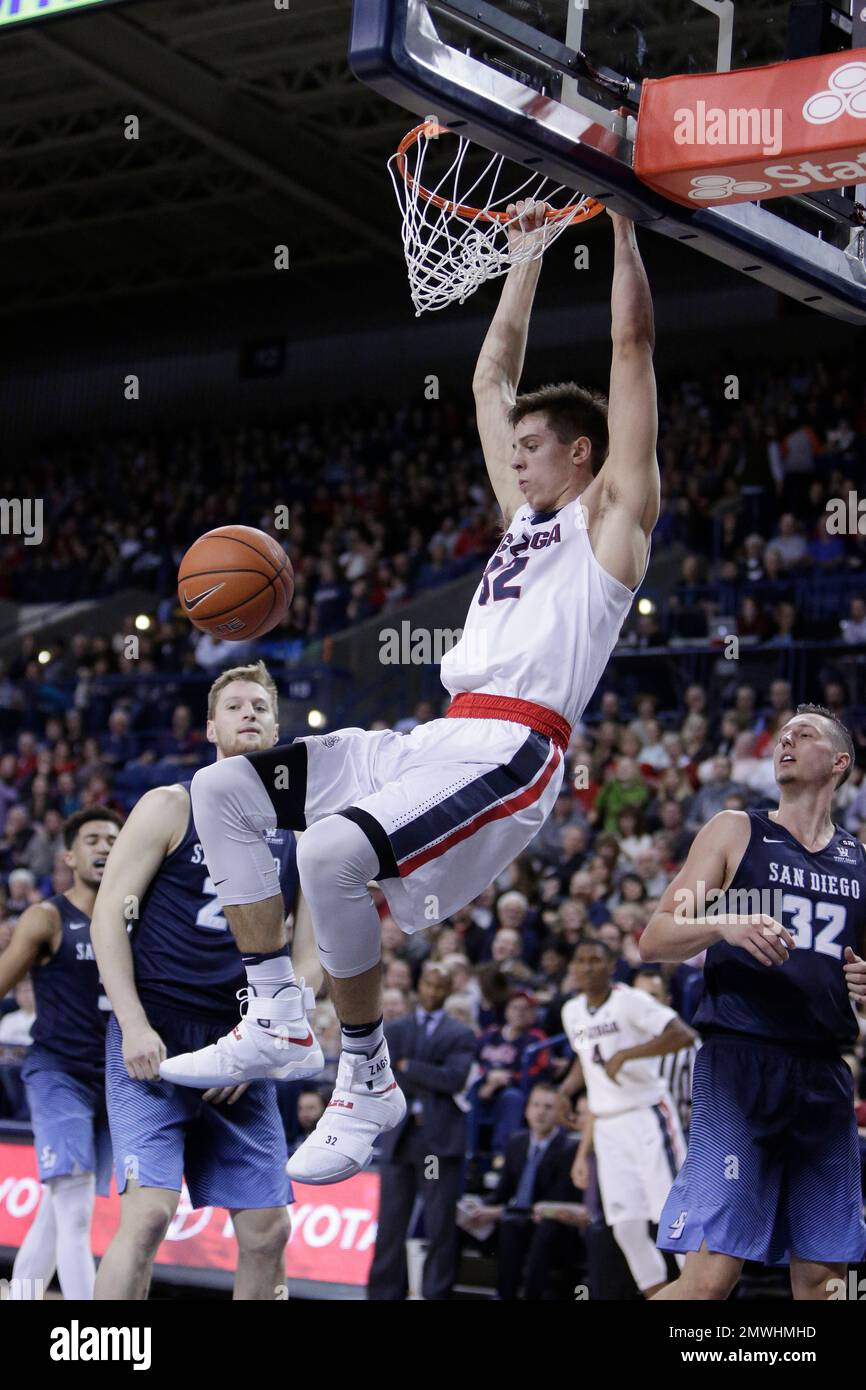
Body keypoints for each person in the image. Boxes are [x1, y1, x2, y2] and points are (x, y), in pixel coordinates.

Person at [168, 205, 661, 1189]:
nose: (510, 454)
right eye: (510, 445)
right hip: (434, 737)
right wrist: (523, 257)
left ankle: (365, 1078)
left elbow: (631, 340)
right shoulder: (521, 523)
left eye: (530, 444)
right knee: (220, 793)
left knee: (329, 849)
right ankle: (271, 1008)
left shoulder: (614, 526)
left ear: (578, 455)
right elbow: (486, 378)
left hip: (512, 753)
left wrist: (621, 224)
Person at [91, 662, 322, 1301]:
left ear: (276, 727)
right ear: (211, 730)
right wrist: (132, 1023)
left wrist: (264, 1039)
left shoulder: (302, 833)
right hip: (156, 1034)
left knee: (269, 1229)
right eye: (235, 707)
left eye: (260, 707)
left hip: (240, 1036)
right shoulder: (170, 805)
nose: (249, 714)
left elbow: (312, 958)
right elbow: (110, 914)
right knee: (148, 1217)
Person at [641, 702, 866, 1299]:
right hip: (740, 1063)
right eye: (784, 733)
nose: (786, 739)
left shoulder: (859, 862)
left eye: (805, 733)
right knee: (711, 1279)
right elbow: (654, 937)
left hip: (823, 1074)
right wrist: (722, 924)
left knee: (824, 1283)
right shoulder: (735, 829)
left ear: (841, 762)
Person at [0, 806, 122, 1299]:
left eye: (113, 839)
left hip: (119, 1079)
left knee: (57, 1209)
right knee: (74, 1210)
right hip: (59, 1076)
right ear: (69, 855)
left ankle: (22, 1295)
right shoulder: (46, 916)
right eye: (92, 839)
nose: (105, 847)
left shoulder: (139, 917)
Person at [560, 939, 695, 1297]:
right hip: (606, 1126)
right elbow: (586, 1059)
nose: (587, 967)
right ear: (572, 968)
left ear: (611, 966)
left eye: (596, 960)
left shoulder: (631, 1001)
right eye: (581, 960)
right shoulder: (571, 1011)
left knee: (675, 1221)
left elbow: (682, 1034)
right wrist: (565, 1090)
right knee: (627, 1229)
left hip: (648, 1116)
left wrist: (628, 1055)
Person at [367, 962, 475, 1301]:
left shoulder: (461, 1033)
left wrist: (409, 1067)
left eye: (440, 986)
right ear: (419, 986)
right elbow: (386, 1076)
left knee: (440, 1223)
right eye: (428, 984)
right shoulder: (395, 1030)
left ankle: (435, 1293)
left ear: (449, 992)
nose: (433, 991)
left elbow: (454, 1079)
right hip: (401, 1136)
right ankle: (384, 1294)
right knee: (390, 1224)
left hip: (437, 1142)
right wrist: (427, 1075)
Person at [463, 1082, 588, 1299]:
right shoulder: (516, 1142)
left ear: (560, 1113)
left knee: (524, 1226)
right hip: (518, 1221)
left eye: (548, 1107)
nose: (540, 1112)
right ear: (527, 1109)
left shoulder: (569, 1148)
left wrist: (499, 1212)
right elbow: (501, 1193)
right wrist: (478, 1205)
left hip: (550, 1223)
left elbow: (552, 1204)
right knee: (468, 1222)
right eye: (536, 1105)